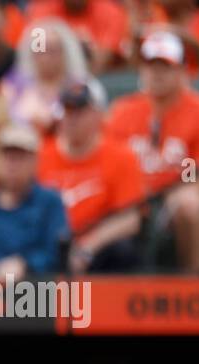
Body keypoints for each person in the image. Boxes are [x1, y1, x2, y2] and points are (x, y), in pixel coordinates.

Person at [105, 31, 199, 275]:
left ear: (182, 70)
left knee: (189, 203)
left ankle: (192, 290)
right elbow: (108, 163)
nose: (157, 73)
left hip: (173, 198)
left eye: (166, 66)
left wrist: (177, 190)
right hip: (129, 200)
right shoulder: (122, 111)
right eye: (151, 66)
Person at [37, 82, 145, 274]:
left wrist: (88, 247)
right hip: (47, 245)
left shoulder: (121, 156)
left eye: (80, 111)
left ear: (97, 115)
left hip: (97, 249)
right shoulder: (41, 154)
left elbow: (130, 220)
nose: (72, 119)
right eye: (67, 111)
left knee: (123, 251)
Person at [0, 124, 70, 278]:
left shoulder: (49, 203)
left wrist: (25, 264)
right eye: (8, 157)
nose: (12, 165)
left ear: (34, 162)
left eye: (20, 158)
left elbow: (56, 252)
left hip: (38, 294)